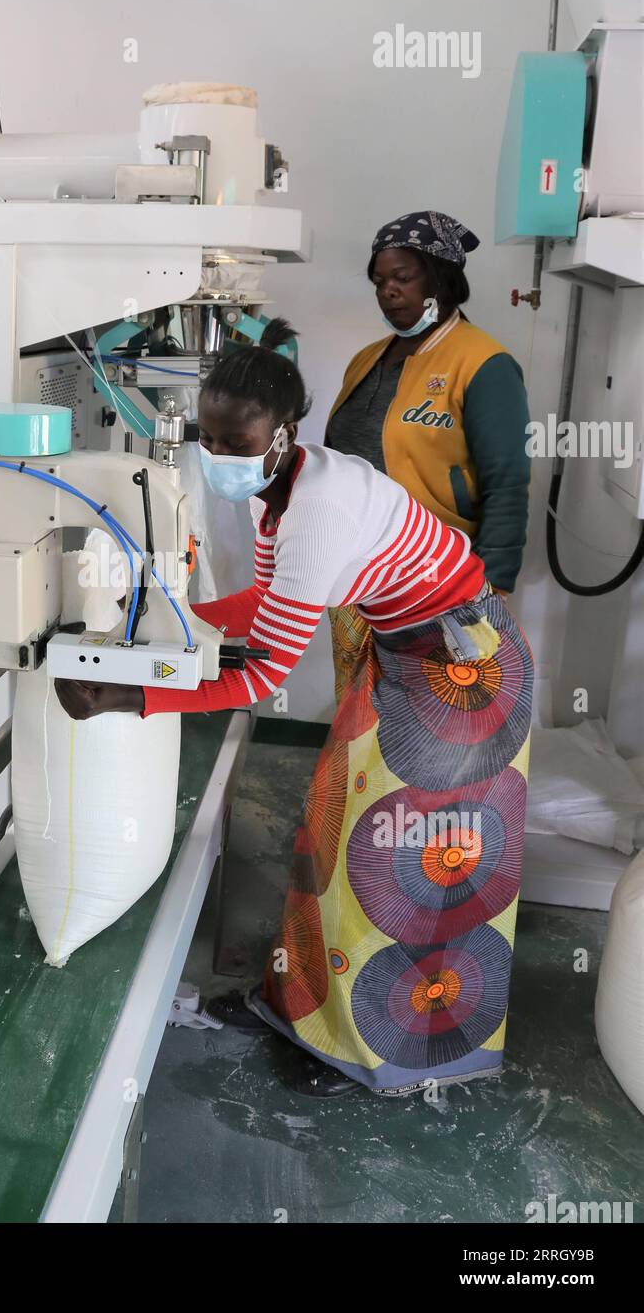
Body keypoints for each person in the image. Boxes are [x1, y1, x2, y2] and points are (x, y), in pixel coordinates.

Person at [55, 319, 533, 1098]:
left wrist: (128, 696)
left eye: (238, 446)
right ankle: (310, 1012)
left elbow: (261, 675)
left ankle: (377, 1052)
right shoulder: (277, 491)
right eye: (208, 441)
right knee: (337, 832)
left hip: (462, 672)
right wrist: (163, 625)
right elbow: (263, 601)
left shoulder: (318, 510)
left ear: (285, 434)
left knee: (398, 861)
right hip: (408, 653)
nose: (220, 460)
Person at [325, 211, 530, 700]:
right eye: (379, 281)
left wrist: (491, 583)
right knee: (360, 701)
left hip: (434, 576)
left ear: (441, 277)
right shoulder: (368, 358)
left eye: (402, 277)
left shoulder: (483, 364)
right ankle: (356, 780)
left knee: (429, 712)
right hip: (353, 571)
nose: (388, 291)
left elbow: (508, 479)